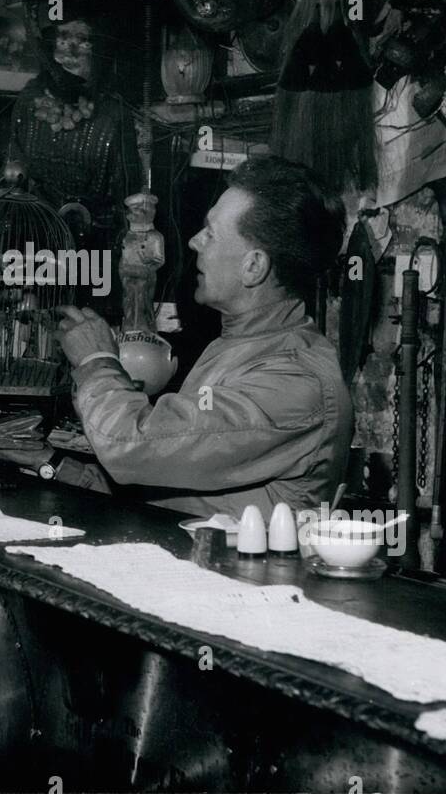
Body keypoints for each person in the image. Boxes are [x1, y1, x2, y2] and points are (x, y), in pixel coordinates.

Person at [55, 155, 353, 523]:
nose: (194, 242)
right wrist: (50, 463)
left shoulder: (293, 379)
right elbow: (176, 494)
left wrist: (96, 361)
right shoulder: (238, 345)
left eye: (210, 233)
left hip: (248, 579)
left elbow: (130, 445)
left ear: (254, 267)